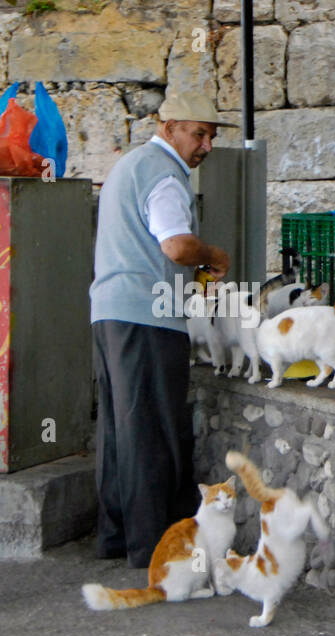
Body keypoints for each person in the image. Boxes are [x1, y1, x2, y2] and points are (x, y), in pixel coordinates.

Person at [89, 93, 236, 568]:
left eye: (212, 136)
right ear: (169, 126)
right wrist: (214, 256)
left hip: (111, 311)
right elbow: (175, 246)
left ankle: (116, 537)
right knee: (152, 433)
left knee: (120, 430)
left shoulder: (130, 166)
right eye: (199, 133)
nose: (207, 145)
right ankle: (154, 548)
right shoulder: (163, 172)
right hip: (146, 316)